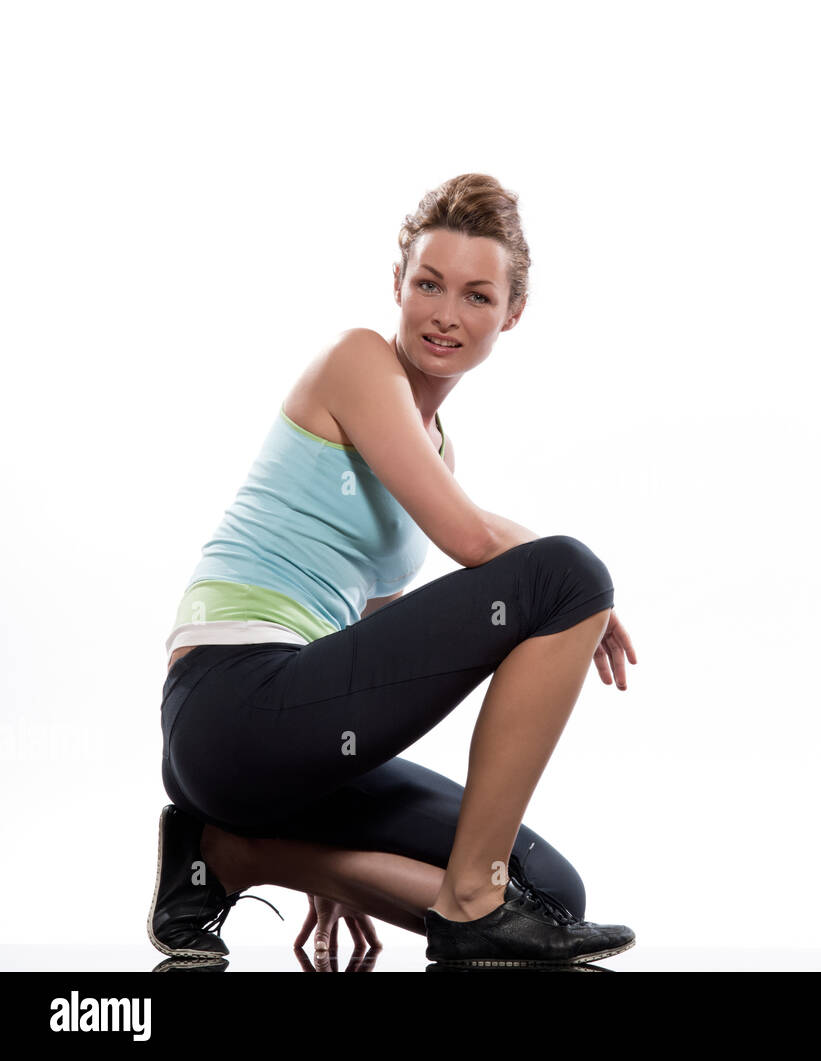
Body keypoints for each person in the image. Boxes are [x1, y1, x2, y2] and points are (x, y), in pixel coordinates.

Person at [148, 173, 638, 968]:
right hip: (229, 704)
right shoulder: (358, 361)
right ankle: (471, 902)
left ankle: (229, 856)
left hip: (294, 735)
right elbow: (474, 537)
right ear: (400, 286)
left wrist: (573, 589)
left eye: (478, 296)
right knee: (570, 572)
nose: (447, 313)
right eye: (429, 283)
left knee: (546, 892)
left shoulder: (434, 453)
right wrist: (579, 594)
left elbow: (372, 652)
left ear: (511, 314)